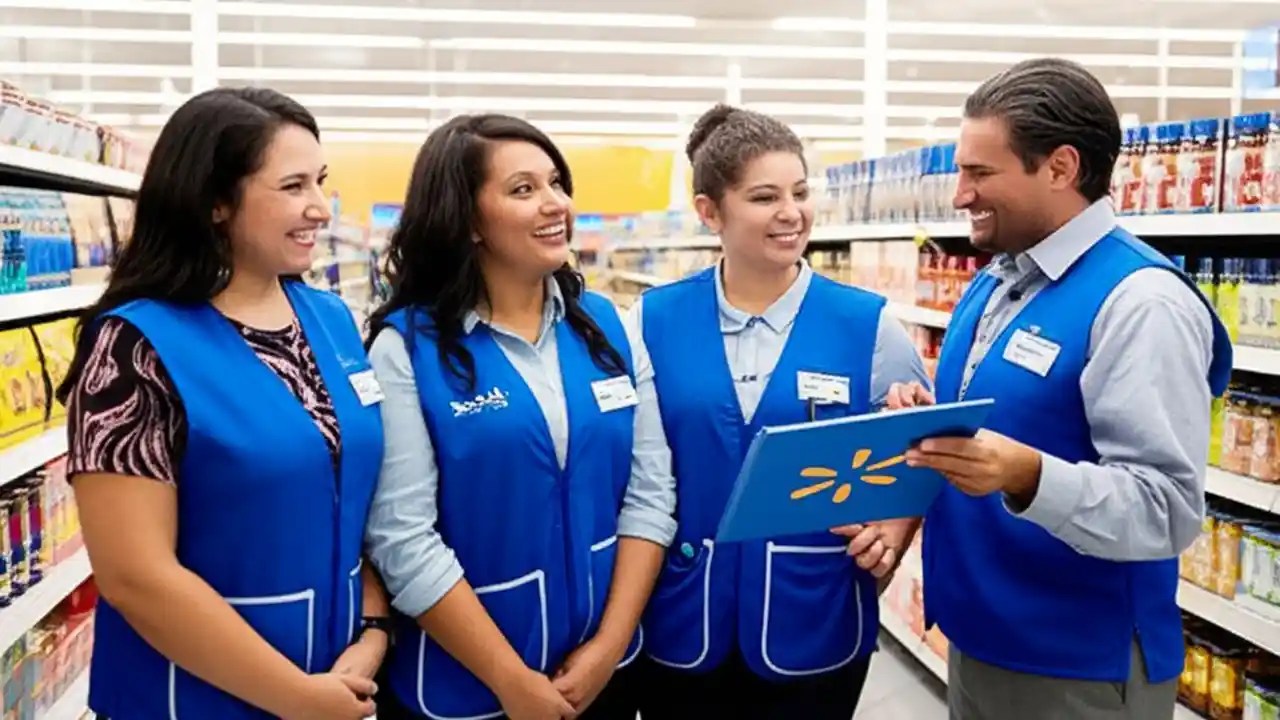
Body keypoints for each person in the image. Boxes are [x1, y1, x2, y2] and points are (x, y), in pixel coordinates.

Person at [889, 58, 1233, 720]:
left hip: (1078, 666)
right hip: (983, 635)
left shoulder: (1140, 302)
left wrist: (1026, 474)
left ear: (1061, 168)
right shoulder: (997, 282)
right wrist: (930, 421)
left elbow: (1165, 509)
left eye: (980, 173)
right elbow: (1011, 417)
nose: (960, 195)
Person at [58, 87, 388, 720]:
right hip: (188, 699)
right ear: (214, 201)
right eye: (292, 187)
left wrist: (373, 630)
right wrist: (297, 697)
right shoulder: (133, 347)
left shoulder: (332, 319)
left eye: (320, 182)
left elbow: (356, 501)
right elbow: (135, 576)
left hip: (335, 684)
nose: (320, 207)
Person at [362, 113, 676, 720]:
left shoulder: (609, 328)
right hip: (463, 686)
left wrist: (609, 647)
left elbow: (649, 494)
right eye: (523, 189)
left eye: (556, 183)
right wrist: (510, 679)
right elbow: (402, 537)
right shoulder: (408, 349)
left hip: (600, 674)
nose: (555, 204)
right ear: (467, 219)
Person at [631, 103, 932, 720]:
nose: (791, 212)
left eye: (799, 191)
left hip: (815, 607)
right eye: (765, 197)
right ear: (709, 211)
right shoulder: (654, 320)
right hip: (683, 613)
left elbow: (921, 454)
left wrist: (895, 528)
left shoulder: (868, 326)